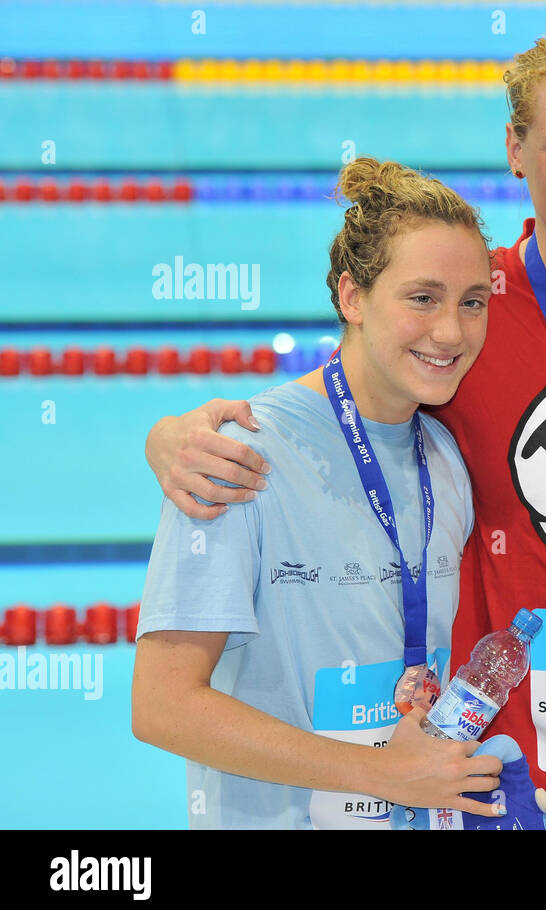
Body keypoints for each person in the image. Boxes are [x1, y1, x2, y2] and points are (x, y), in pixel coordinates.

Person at [142, 23, 546, 830]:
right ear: (515, 149)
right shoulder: (475, 312)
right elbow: (352, 398)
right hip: (520, 799)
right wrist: (174, 434)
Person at [132, 157, 509, 829]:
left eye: (471, 301)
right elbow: (163, 706)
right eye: (422, 298)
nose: (451, 331)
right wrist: (379, 774)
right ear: (352, 297)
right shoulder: (240, 454)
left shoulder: (446, 459)